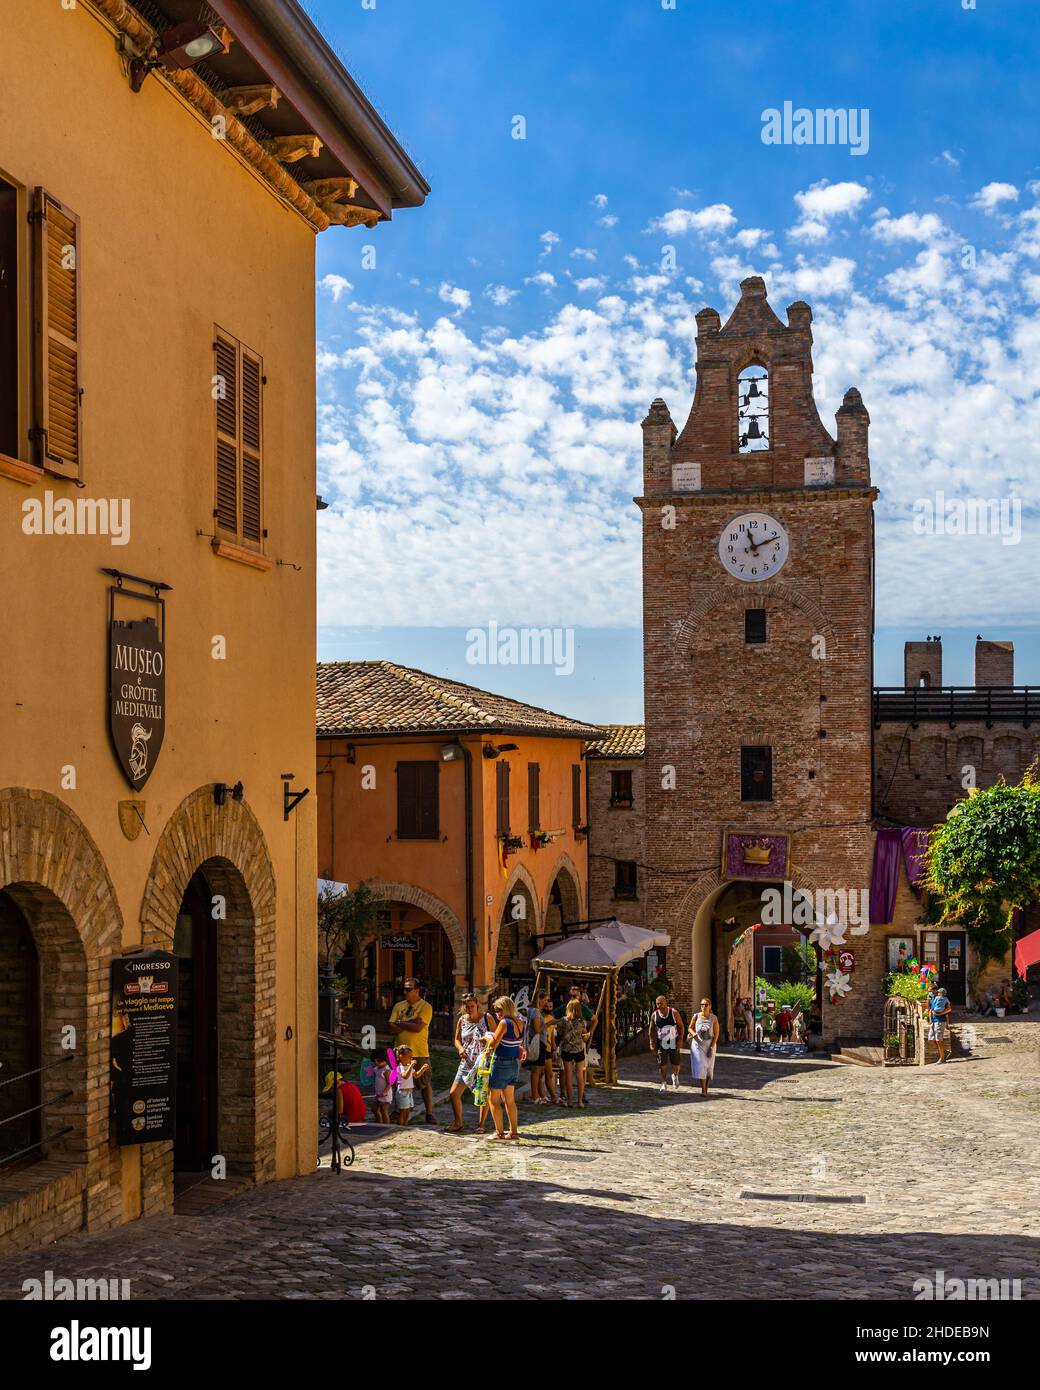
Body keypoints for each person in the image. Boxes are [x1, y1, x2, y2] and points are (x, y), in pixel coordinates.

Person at [445, 993, 496, 1134]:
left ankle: (481, 1124)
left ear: (477, 1005)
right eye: (466, 1006)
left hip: (483, 1061)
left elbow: (497, 1037)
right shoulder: (462, 1020)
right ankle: (458, 1122)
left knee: (481, 1094)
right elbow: (456, 1039)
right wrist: (460, 1048)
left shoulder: (487, 1018)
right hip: (466, 1062)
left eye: (472, 1006)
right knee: (454, 1093)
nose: (469, 1009)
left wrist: (488, 1042)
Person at [388, 978, 436, 1124]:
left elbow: (418, 1028)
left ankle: (429, 1113)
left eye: (408, 989)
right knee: (398, 1081)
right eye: (404, 989)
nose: (405, 992)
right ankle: (398, 1111)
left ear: (417, 991)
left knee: (424, 1082)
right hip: (399, 1051)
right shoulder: (398, 1006)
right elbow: (391, 1027)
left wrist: (400, 1023)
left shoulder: (425, 1007)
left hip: (419, 1051)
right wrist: (408, 1023)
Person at [485, 996, 524, 1141]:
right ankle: (513, 1132)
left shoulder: (504, 1022)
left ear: (504, 1009)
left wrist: (486, 1038)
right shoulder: (520, 1022)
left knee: (493, 1100)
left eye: (498, 1010)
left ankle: (499, 1132)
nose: (497, 1013)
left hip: (500, 1063)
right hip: (513, 1064)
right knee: (510, 1100)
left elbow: (494, 1043)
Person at [557, 999, 590, 1107]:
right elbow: (584, 1034)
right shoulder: (582, 1022)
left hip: (567, 1050)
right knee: (580, 1076)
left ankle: (570, 1101)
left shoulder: (563, 1020)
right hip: (579, 1050)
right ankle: (580, 1101)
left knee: (568, 1076)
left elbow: (560, 1033)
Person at [648, 994, 685, 1092]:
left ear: (666, 1003)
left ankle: (675, 1075)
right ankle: (663, 1083)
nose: (659, 1005)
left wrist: (680, 1039)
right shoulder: (654, 1015)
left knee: (676, 1064)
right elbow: (651, 1030)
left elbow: (681, 1026)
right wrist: (652, 1043)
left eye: (661, 1003)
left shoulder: (673, 1012)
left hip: (673, 1041)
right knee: (662, 1064)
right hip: (662, 1042)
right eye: (657, 1004)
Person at [688, 997, 719, 1096]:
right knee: (701, 1066)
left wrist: (711, 1048)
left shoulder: (713, 1018)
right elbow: (690, 1028)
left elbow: (716, 1034)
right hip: (698, 1045)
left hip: (709, 1045)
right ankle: (703, 1090)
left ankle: (706, 1087)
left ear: (710, 1006)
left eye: (706, 1005)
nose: (703, 1007)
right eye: (702, 1005)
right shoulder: (696, 1016)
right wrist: (694, 1034)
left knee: (709, 1068)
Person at [395, 1047, 430, 1125]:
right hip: (402, 1092)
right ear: (401, 1056)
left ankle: (405, 1125)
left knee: (407, 1112)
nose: (412, 1058)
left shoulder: (408, 1066)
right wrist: (411, 1066)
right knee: (402, 1112)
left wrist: (422, 1069)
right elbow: (405, 1076)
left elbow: (416, 1075)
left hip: (409, 1092)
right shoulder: (400, 1067)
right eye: (409, 1056)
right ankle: (400, 1127)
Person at [522, 999, 548, 1103]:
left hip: (538, 1042)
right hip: (538, 1042)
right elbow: (537, 1029)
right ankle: (535, 1096)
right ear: (539, 999)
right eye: (544, 999)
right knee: (536, 1070)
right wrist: (549, 1023)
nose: (545, 1002)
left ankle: (539, 1094)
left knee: (539, 1071)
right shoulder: (535, 1011)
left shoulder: (532, 1010)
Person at [539, 994, 562, 1104]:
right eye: (546, 1006)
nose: (548, 1009)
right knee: (540, 1074)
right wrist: (548, 1024)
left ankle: (553, 1096)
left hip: (548, 1048)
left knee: (549, 1074)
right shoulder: (539, 1017)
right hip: (539, 1047)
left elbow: (552, 1035)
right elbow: (538, 1030)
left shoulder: (552, 1018)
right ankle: (543, 1095)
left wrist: (554, 1049)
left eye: (550, 1007)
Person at [928, 985, 952, 1062]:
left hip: (940, 1021)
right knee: (931, 1040)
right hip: (933, 1022)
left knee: (939, 1040)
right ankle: (944, 1052)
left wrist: (940, 1014)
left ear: (935, 990)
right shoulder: (932, 999)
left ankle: (942, 1059)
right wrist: (930, 1019)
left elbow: (949, 1009)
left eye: (930, 991)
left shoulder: (942, 999)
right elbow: (931, 1010)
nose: (929, 993)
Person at [371, 1050, 393, 1125]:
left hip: (385, 1095)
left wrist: (384, 1092)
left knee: (384, 1111)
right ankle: (379, 1123)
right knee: (374, 1109)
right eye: (375, 1061)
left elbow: (389, 1083)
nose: (376, 1063)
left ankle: (386, 1126)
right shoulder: (376, 1069)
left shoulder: (386, 1070)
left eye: (378, 1061)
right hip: (378, 1094)